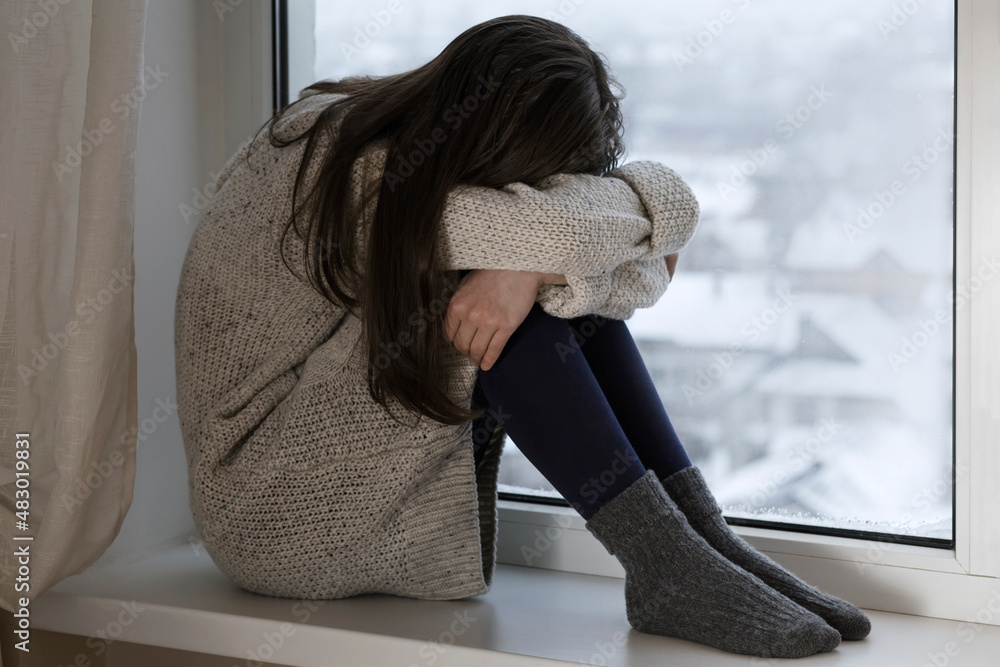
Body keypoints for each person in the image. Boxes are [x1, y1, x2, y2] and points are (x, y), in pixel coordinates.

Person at [173, 14, 869, 659]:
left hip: (317, 457)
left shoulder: (403, 146)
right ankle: (668, 563)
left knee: (523, 280)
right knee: (492, 288)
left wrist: (544, 264)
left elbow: (659, 217)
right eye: (532, 180)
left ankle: (697, 538)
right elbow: (591, 234)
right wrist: (559, 256)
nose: (534, 196)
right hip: (270, 506)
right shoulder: (358, 167)